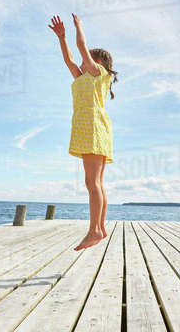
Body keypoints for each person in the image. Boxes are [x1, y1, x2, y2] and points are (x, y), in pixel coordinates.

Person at [48, 13, 118, 250]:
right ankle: (101, 227)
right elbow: (69, 60)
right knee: (96, 182)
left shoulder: (99, 74)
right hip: (92, 127)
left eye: (88, 59)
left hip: (93, 127)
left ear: (98, 63)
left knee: (92, 183)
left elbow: (81, 47)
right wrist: (61, 37)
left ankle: (94, 230)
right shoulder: (84, 78)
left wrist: (78, 27)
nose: (82, 62)